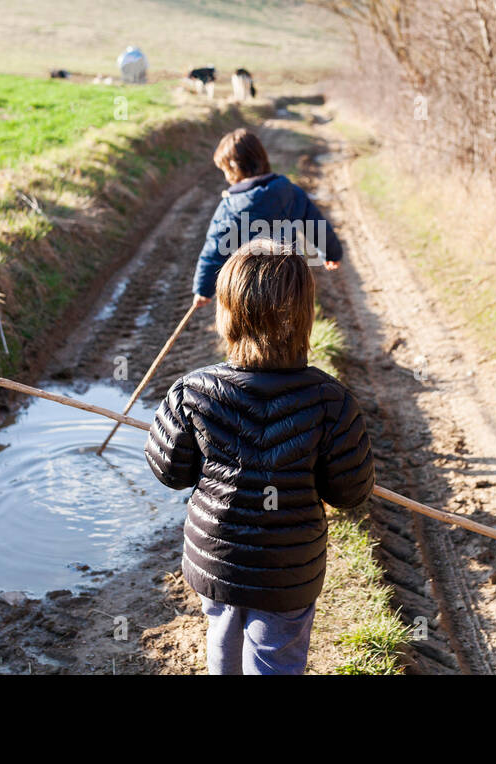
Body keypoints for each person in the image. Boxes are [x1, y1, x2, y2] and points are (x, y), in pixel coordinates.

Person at [146, 239, 374, 674]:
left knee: (223, 639)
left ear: (228, 313)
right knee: (275, 656)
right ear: (304, 316)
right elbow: (349, 491)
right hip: (288, 569)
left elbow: (171, 471)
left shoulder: (192, 391)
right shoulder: (332, 401)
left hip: (216, 558)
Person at [192, 129, 343, 306]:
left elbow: (214, 249)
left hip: (247, 288)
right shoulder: (292, 192)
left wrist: (203, 289)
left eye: (225, 170)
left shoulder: (230, 206)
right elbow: (317, 225)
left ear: (233, 167)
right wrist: (332, 253)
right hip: (290, 280)